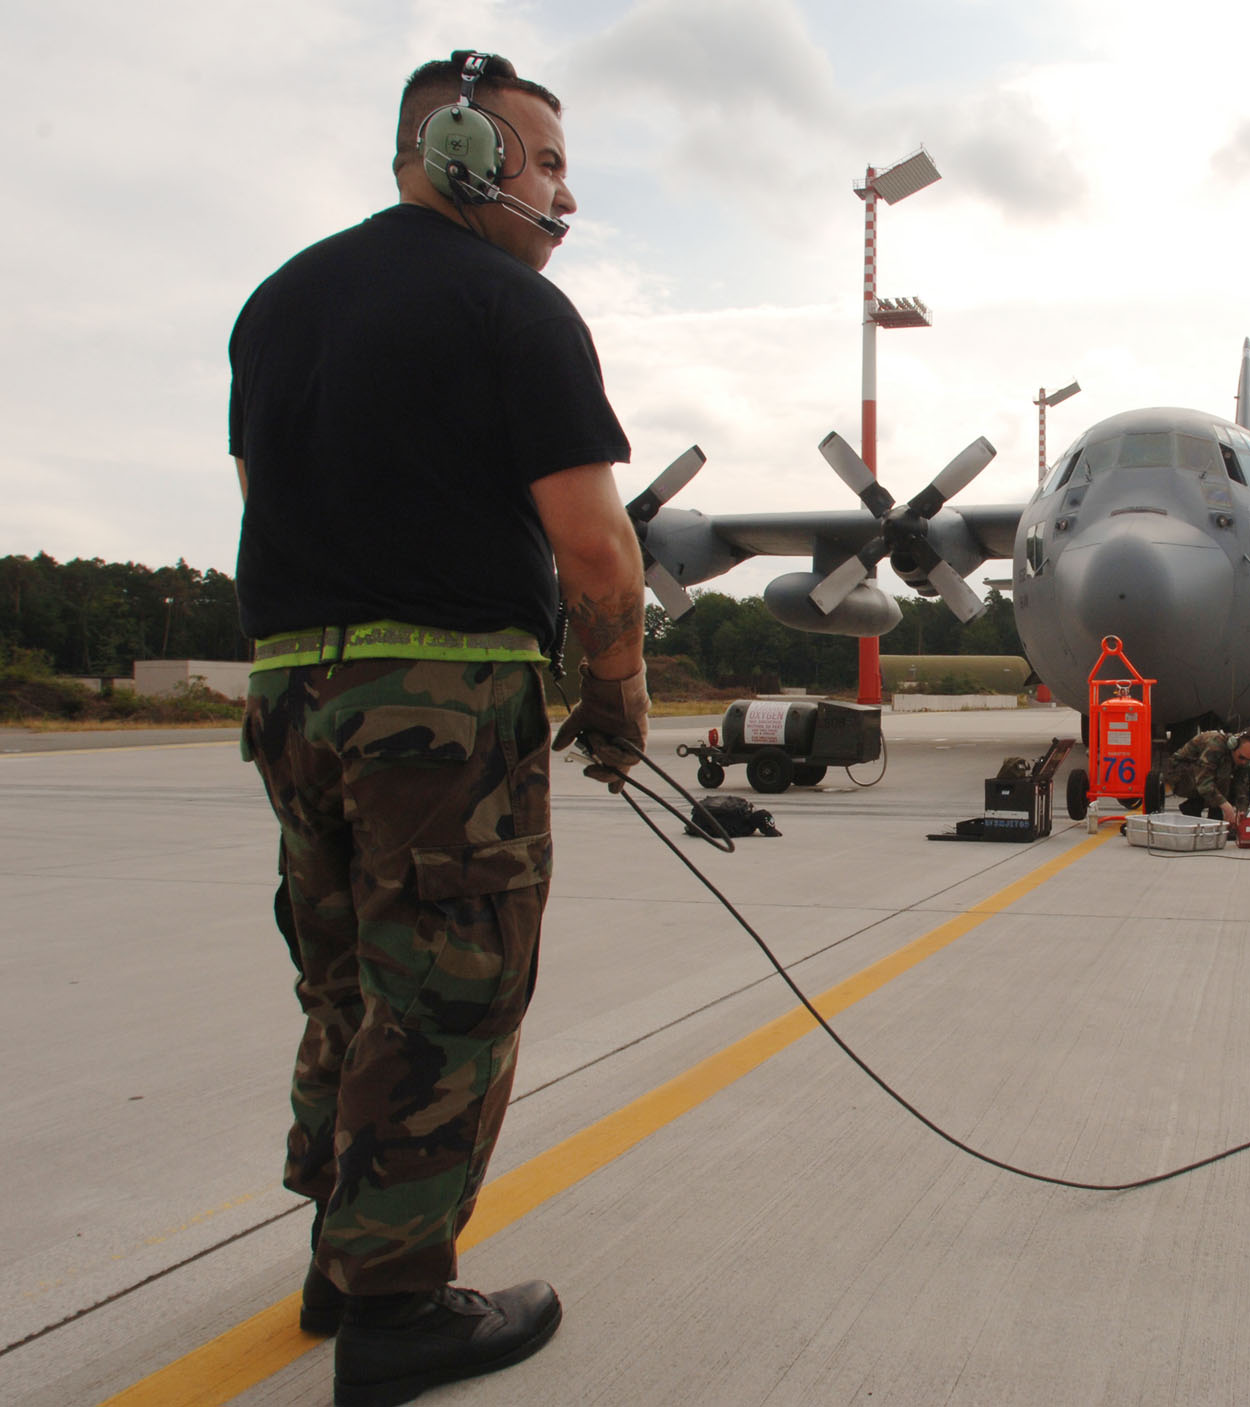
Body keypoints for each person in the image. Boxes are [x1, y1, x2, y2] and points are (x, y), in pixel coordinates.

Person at [230, 50, 647, 1406]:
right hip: (444, 703)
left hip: (295, 690)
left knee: (344, 979)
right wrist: (618, 685)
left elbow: (267, 494)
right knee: (451, 993)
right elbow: (597, 550)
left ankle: (338, 1258)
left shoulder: (277, 304)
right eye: (546, 163)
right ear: (463, 154)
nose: (563, 194)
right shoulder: (511, 309)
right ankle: (401, 1307)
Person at [1159, 728, 1250, 826]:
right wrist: (1227, 808)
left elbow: (1241, 787)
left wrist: (1241, 811)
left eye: (1248, 760)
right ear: (1233, 745)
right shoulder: (1215, 745)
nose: (1243, 762)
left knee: (1230, 785)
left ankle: (1193, 807)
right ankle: (1212, 817)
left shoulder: (1243, 757)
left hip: (1201, 776)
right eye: (1241, 757)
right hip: (1179, 775)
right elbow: (1204, 783)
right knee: (1223, 776)